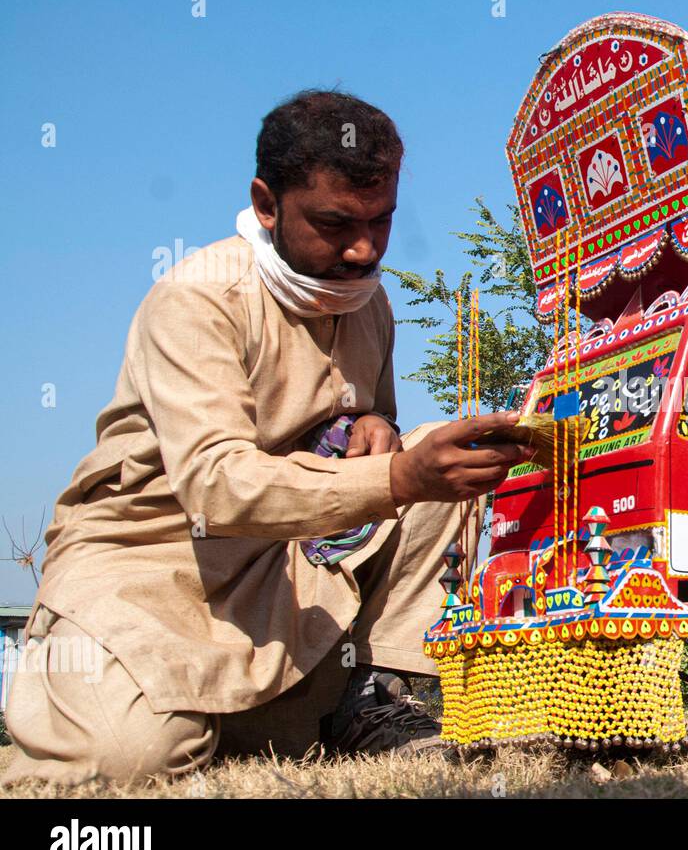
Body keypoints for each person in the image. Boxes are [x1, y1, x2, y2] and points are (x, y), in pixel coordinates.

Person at [1, 90, 533, 786]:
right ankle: (127, 688)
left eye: (383, 221)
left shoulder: (369, 306)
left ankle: (375, 695)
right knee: (122, 760)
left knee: (443, 453)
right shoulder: (198, 299)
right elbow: (216, 486)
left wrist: (381, 430)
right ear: (265, 203)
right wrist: (399, 476)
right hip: (152, 568)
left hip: (281, 563)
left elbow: (375, 434)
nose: (365, 248)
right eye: (336, 223)